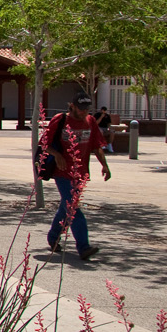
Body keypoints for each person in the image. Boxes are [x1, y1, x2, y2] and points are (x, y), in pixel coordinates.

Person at [43, 91, 112, 261]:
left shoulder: (90, 122)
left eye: (86, 109)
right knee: (73, 207)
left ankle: (53, 237)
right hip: (62, 172)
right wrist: (58, 155)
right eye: (80, 109)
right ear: (72, 106)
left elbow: (97, 146)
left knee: (65, 208)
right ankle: (83, 246)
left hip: (80, 173)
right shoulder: (60, 120)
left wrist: (105, 165)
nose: (84, 112)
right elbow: (44, 144)